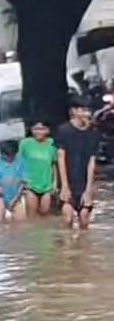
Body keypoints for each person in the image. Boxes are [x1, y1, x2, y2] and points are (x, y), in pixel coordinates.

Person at [56, 96, 101, 228]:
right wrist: (64, 186)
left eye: (89, 110)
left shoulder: (93, 132)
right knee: (67, 217)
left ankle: (83, 248)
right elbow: (60, 158)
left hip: (83, 181)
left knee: (84, 218)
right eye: (83, 110)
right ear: (74, 111)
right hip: (68, 179)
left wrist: (89, 190)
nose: (87, 114)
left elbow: (92, 162)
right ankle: (67, 248)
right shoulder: (63, 130)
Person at [19, 121, 58, 217]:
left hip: (47, 186)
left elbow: (54, 165)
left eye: (42, 129)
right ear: (31, 130)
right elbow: (19, 163)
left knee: (45, 213)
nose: (38, 132)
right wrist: (20, 182)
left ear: (48, 130)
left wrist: (55, 183)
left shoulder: (52, 144)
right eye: (36, 129)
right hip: (30, 185)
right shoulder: (25, 143)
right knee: (31, 216)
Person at [0, 139, 26, 223]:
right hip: (0, 196)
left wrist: (14, 199)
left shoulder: (21, 162)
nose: (9, 158)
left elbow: (23, 183)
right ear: (1, 153)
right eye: (6, 156)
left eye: (11, 156)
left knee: (21, 223)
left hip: (16, 196)